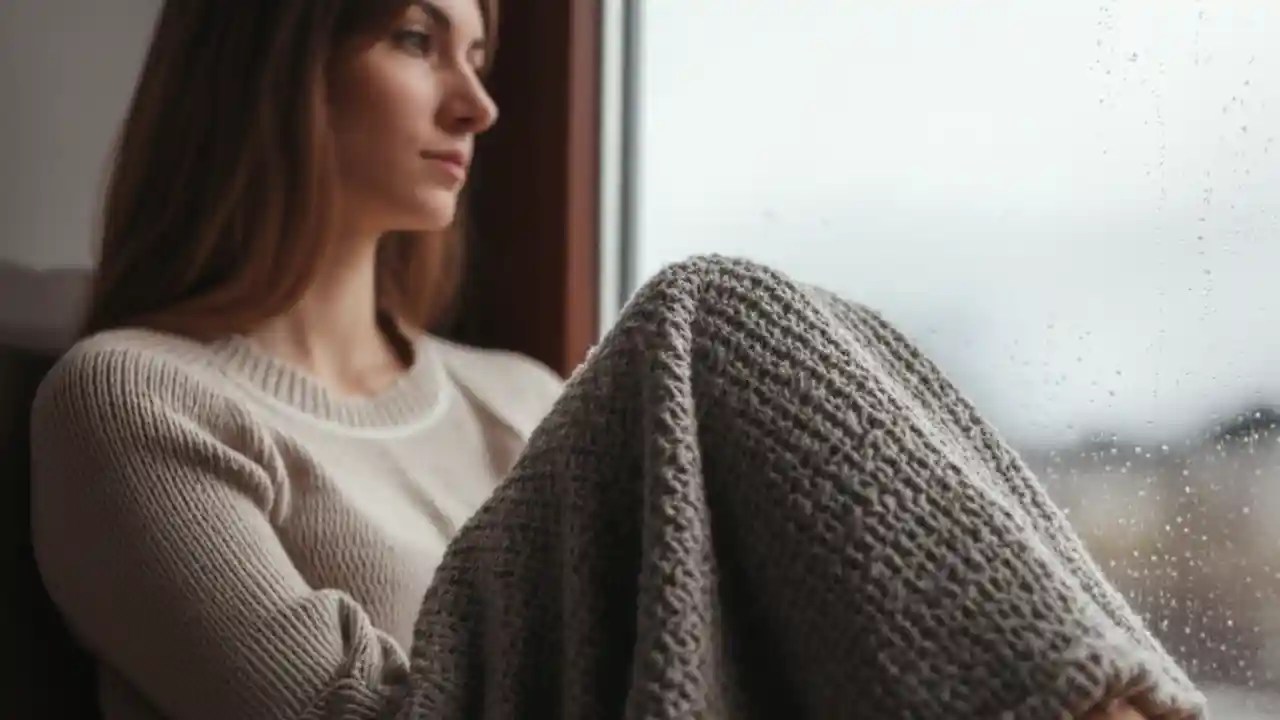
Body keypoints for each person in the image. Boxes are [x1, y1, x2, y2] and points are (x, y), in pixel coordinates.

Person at [28, 1, 1189, 718]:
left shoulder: (520, 397)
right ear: (266, 59)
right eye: (416, 38)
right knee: (707, 312)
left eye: (478, 49)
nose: (477, 103)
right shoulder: (136, 399)